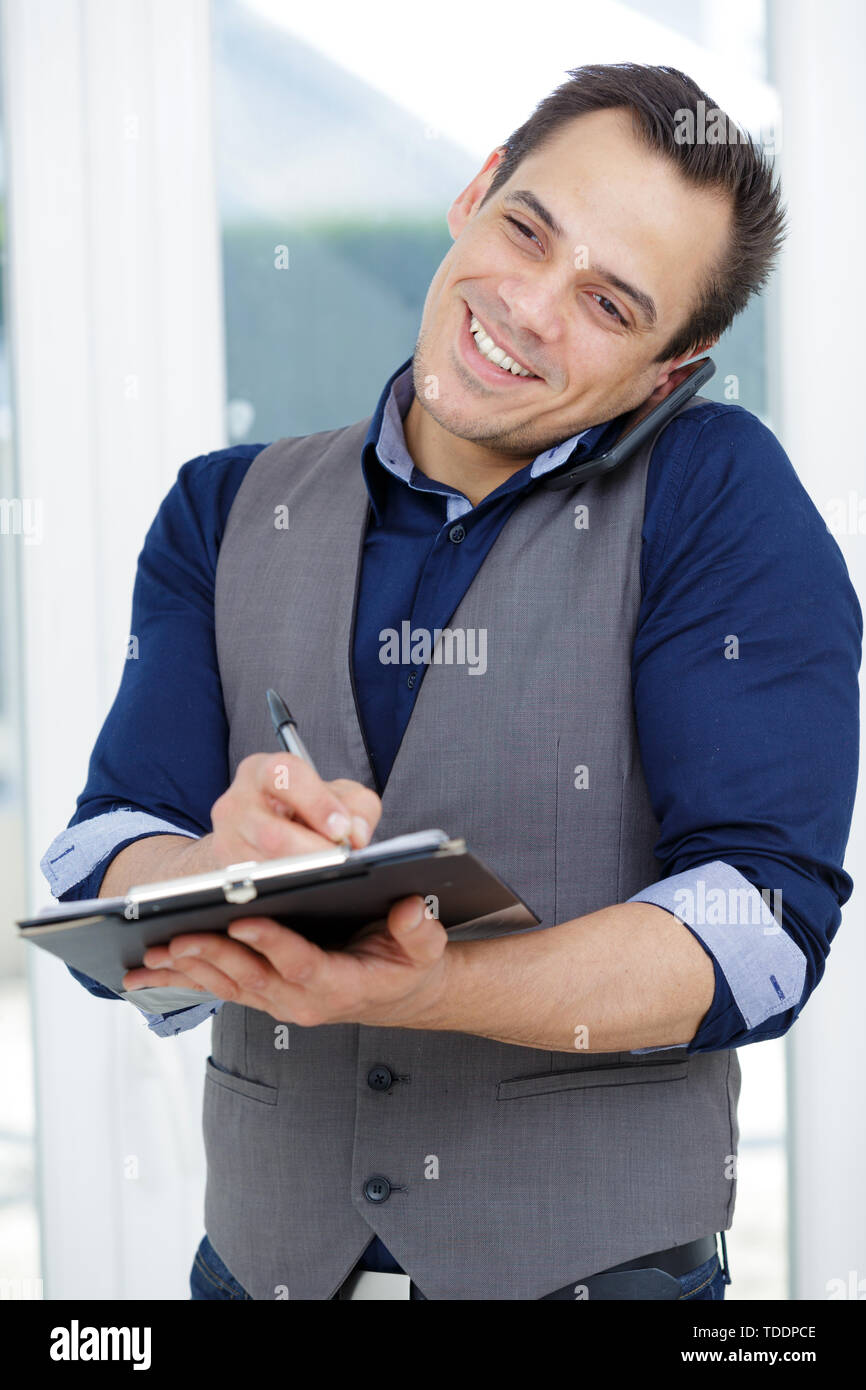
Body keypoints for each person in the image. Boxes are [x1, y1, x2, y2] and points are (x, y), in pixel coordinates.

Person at [42, 63, 860, 1302]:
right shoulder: (224, 509)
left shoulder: (717, 500)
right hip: (252, 1277)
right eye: (526, 228)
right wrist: (210, 871)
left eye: (606, 301)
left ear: (668, 367)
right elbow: (101, 859)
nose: (528, 308)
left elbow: (758, 929)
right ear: (474, 192)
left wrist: (444, 984)